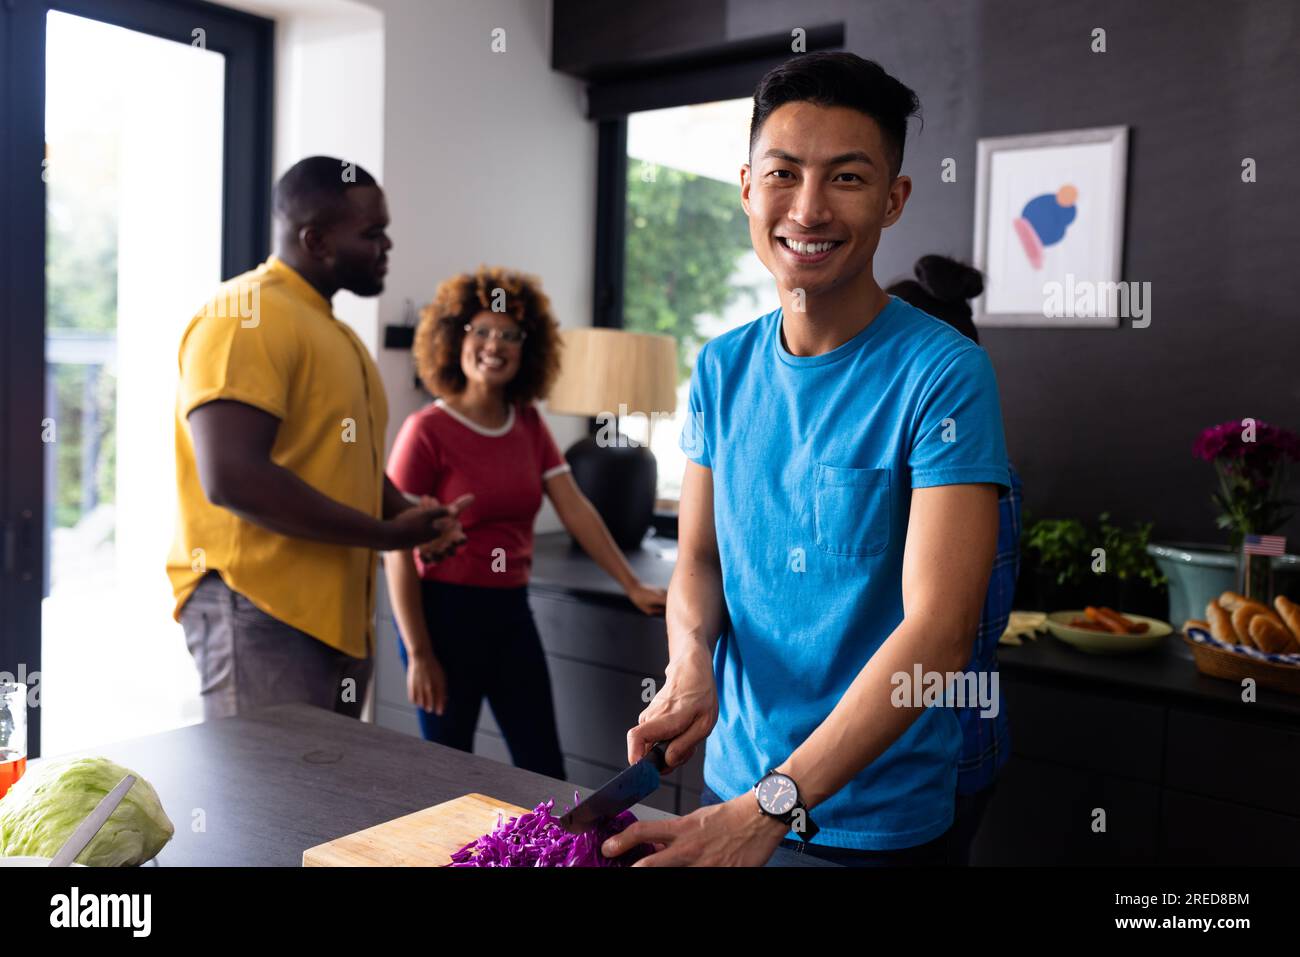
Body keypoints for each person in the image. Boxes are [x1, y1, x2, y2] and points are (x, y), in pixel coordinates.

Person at [600, 52, 1010, 866]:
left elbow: (941, 636)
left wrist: (773, 806)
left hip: (869, 825)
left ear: (894, 200)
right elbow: (701, 559)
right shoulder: (721, 367)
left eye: (848, 178)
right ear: (747, 185)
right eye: (783, 173)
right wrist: (690, 663)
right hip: (727, 792)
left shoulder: (944, 374)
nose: (809, 208)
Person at [168, 156, 469, 722]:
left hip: (333, 622)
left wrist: (410, 517)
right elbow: (233, 477)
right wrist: (384, 534)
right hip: (259, 610)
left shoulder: (332, 332)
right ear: (316, 239)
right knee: (263, 808)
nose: (387, 246)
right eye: (372, 232)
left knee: (318, 811)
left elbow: (339, 462)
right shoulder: (245, 315)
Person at [384, 266, 667, 778]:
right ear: (455, 339)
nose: (496, 344)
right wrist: (420, 652)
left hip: (511, 614)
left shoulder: (530, 424)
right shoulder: (425, 430)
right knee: (449, 773)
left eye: (510, 334)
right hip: (443, 618)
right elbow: (395, 548)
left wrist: (631, 584)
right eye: (482, 331)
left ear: (527, 349)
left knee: (543, 769)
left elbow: (575, 508)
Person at [887, 254, 1023, 866]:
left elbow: (936, 636)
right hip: (978, 735)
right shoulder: (998, 470)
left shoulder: (929, 482)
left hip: (918, 756)